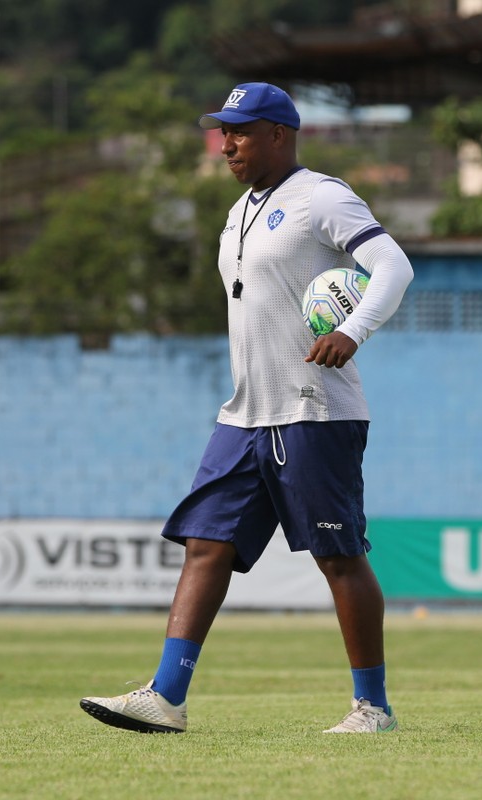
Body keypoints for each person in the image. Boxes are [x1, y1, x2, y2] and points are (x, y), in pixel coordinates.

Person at [80, 82, 414, 734]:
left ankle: (372, 708)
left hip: (314, 411)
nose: (226, 143)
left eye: (239, 131)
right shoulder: (239, 212)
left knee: (339, 557)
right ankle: (166, 697)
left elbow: (392, 266)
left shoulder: (322, 196)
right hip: (243, 416)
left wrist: (353, 330)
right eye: (222, 131)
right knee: (205, 545)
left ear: (278, 134)